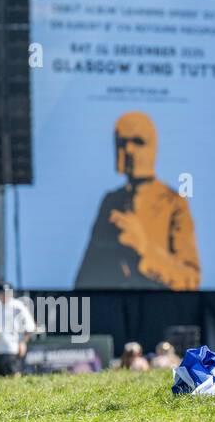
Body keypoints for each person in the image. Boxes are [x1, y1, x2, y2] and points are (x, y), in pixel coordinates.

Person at [75, 111, 200, 290]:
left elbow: (190, 280)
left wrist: (144, 248)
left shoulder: (173, 202)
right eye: (123, 143)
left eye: (138, 141)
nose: (129, 150)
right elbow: (84, 279)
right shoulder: (111, 202)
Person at [0, 284, 35, 377]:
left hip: (12, 350)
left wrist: (22, 343)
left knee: (13, 378)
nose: (5, 296)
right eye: (2, 293)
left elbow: (30, 327)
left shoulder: (18, 306)